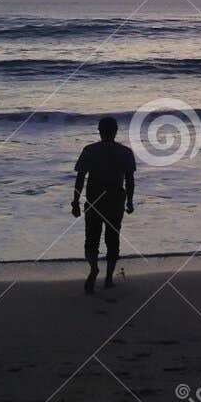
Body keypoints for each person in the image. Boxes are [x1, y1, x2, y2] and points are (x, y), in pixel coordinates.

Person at [71, 115, 136, 292]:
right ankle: (108, 278)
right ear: (115, 132)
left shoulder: (89, 150)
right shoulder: (125, 152)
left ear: (99, 131)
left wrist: (75, 201)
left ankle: (93, 269)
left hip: (94, 200)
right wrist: (130, 201)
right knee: (112, 240)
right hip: (115, 200)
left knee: (91, 239)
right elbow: (130, 180)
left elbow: (80, 178)